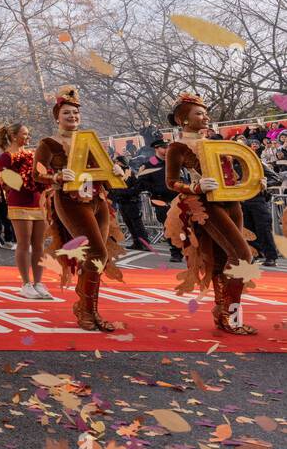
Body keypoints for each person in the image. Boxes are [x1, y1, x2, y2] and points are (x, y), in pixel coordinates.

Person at [34, 87, 128, 332]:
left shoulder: (90, 141)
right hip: (69, 200)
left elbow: (104, 171)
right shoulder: (48, 143)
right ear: (57, 117)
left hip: (98, 199)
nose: (72, 117)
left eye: (75, 113)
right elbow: (36, 175)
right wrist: (55, 176)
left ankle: (90, 310)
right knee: (96, 252)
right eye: (67, 113)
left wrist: (117, 171)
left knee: (101, 255)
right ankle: (86, 310)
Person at [164, 92, 258, 335]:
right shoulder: (177, 147)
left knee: (220, 259)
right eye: (199, 113)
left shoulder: (218, 142)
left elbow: (234, 173)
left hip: (231, 202)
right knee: (241, 256)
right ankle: (229, 315)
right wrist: (195, 187)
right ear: (183, 119)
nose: (205, 117)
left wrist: (256, 181)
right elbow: (171, 182)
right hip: (204, 205)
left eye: (205, 113)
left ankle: (225, 315)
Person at [0, 123, 52, 299]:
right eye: (25, 134)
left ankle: (38, 282)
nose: (28, 137)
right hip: (20, 201)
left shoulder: (33, 154)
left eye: (28, 134)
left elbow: (44, 173)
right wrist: (28, 180)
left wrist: (44, 178)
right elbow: (8, 180)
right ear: (13, 136)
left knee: (39, 245)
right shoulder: (6, 157)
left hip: (37, 201)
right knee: (24, 242)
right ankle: (26, 283)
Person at [133, 136, 180, 262]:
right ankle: (175, 252)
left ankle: (186, 250)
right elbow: (141, 183)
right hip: (161, 200)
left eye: (168, 147)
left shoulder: (173, 162)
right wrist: (155, 188)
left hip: (178, 199)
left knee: (183, 226)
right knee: (169, 227)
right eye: (164, 148)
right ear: (156, 149)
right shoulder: (150, 164)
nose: (167, 150)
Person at [110, 154, 153, 253]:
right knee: (129, 224)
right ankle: (137, 243)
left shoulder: (129, 172)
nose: (115, 164)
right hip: (123, 202)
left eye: (116, 162)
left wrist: (124, 193)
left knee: (137, 224)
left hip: (131, 202)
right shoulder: (117, 173)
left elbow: (135, 188)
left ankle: (145, 244)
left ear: (120, 163)